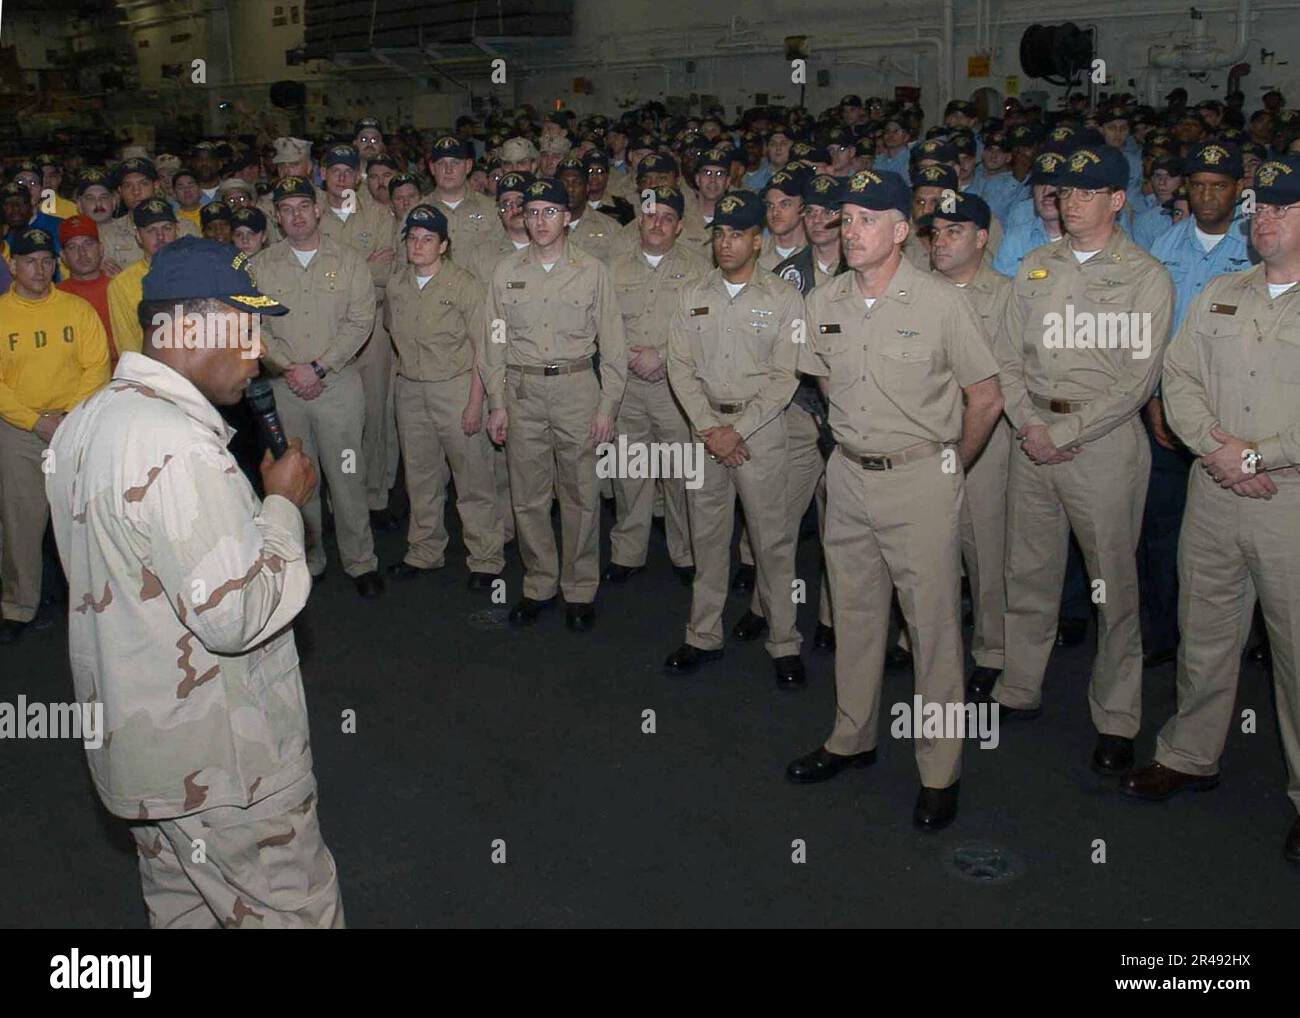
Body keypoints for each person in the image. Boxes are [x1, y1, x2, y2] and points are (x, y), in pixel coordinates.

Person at [46, 236, 345, 926]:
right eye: (247, 329)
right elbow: (235, 616)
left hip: (144, 756)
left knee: (186, 911)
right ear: (190, 325)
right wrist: (279, 505)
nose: (258, 351)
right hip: (223, 767)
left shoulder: (86, 423)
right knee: (290, 912)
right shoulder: (178, 448)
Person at [785, 169, 1004, 829]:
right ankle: (852, 736)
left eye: (866, 219)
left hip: (920, 480)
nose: (850, 231)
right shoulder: (824, 302)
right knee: (851, 616)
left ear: (902, 230)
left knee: (933, 629)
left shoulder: (941, 303)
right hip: (847, 475)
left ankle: (940, 769)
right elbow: (823, 385)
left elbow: (986, 396)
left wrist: (950, 465)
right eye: (845, 218)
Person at [1122, 154, 1300, 865]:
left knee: (1295, 656)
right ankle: (1191, 754)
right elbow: (1179, 374)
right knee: (1205, 633)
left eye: (1285, 209)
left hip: (1288, 503)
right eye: (1262, 208)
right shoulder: (1223, 292)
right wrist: (1219, 451)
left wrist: (1256, 456)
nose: (1266, 220)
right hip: (1216, 494)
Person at [990, 146, 1174, 776]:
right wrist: (1031, 423)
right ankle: (1018, 686)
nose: (1070, 202)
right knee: (1029, 570)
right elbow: (1006, 358)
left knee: (1111, 586)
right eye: (1064, 192)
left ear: (1117, 200)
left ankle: (1117, 717)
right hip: (1033, 432)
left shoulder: (1145, 276)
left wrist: (1064, 430)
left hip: (1102, 443)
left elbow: (1137, 380)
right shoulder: (1036, 266)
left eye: (1087, 192)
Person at [662, 190, 806, 688]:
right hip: (705, 431)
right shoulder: (692, 295)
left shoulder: (785, 299)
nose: (725, 244)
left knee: (772, 542)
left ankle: (784, 640)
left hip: (759, 434)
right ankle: (703, 634)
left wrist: (735, 431)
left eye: (737, 235)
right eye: (719, 234)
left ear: (758, 242)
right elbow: (679, 367)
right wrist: (709, 429)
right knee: (707, 539)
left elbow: (785, 378)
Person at [482, 177, 627, 631]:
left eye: (550, 212)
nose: (540, 221)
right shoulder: (506, 271)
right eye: (532, 212)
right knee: (527, 495)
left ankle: (580, 587)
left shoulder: (592, 270)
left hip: (576, 387)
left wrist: (607, 406)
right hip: (522, 391)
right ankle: (540, 582)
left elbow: (615, 344)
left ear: (567, 218)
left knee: (581, 494)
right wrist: (496, 401)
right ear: (522, 218)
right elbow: (494, 341)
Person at [1141, 142, 1256, 669]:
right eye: (1199, 184)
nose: (1208, 195)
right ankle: (1163, 631)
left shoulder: (1258, 249)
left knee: (1243, 534)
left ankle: (1247, 636)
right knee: (1162, 530)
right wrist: (1154, 400)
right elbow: (1148, 336)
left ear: (1239, 189)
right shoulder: (1162, 245)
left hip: (1236, 415)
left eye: (1220, 185)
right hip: (1169, 410)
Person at [249, 175, 383, 597]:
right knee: (297, 478)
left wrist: (320, 367)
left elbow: (361, 320)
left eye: (303, 208)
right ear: (276, 218)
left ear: (318, 210)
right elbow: (254, 325)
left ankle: (360, 560)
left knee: (347, 474)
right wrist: (291, 367)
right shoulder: (261, 266)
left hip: (338, 387)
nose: (296, 217)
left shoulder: (348, 261)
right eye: (286, 210)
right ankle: (308, 559)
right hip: (285, 389)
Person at [383, 204, 504, 585]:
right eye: (413, 238)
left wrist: (474, 403)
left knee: (472, 478)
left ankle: (486, 558)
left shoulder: (465, 285)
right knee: (419, 476)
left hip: (455, 388)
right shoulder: (397, 283)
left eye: (427, 239)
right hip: (411, 388)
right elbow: (393, 333)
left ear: (444, 244)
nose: (418, 245)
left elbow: (483, 348)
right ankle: (425, 550)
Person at [0, 226, 110, 644]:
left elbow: (96, 366)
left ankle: (93, 601)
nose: (40, 269)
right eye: (30, 261)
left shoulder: (75, 310)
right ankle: (18, 606)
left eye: (47, 261)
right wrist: (35, 421)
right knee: (21, 519)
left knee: (82, 517)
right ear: (13, 266)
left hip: (75, 424)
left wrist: (68, 417)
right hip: (19, 430)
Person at [927, 193, 1013, 697]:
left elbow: (1003, 376)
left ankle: (992, 647)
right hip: (924, 435)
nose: (940, 240)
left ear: (982, 238)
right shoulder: (913, 291)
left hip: (981, 435)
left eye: (954, 231)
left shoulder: (1006, 295)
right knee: (926, 546)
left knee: (984, 546)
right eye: (935, 232)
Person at [605, 185, 708, 586]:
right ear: (639, 221)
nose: (657, 223)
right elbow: (604, 324)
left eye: (667, 217)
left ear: (679, 226)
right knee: (629, 474)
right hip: (628, 385)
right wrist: (629, 354)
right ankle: (628, 552)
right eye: (650, 215)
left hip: (676, 389)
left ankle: (686, 553)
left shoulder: (699, 269)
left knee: (682, 475)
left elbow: (703, 327)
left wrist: (662, 356)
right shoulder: (615, 267)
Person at [107, 198, 181, 356]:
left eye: (167, 228)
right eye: (151, 230)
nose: (160, 236)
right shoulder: (122, 284)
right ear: (138, 236)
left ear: (178, 230)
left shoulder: (198, 271)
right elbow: (128, 345)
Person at [57, 215, 117, 366]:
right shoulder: (54, 296)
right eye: (72, 247)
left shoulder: (120, 289)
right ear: (63, 256)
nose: (82, 252)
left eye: (88, 244)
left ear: (101, 249)